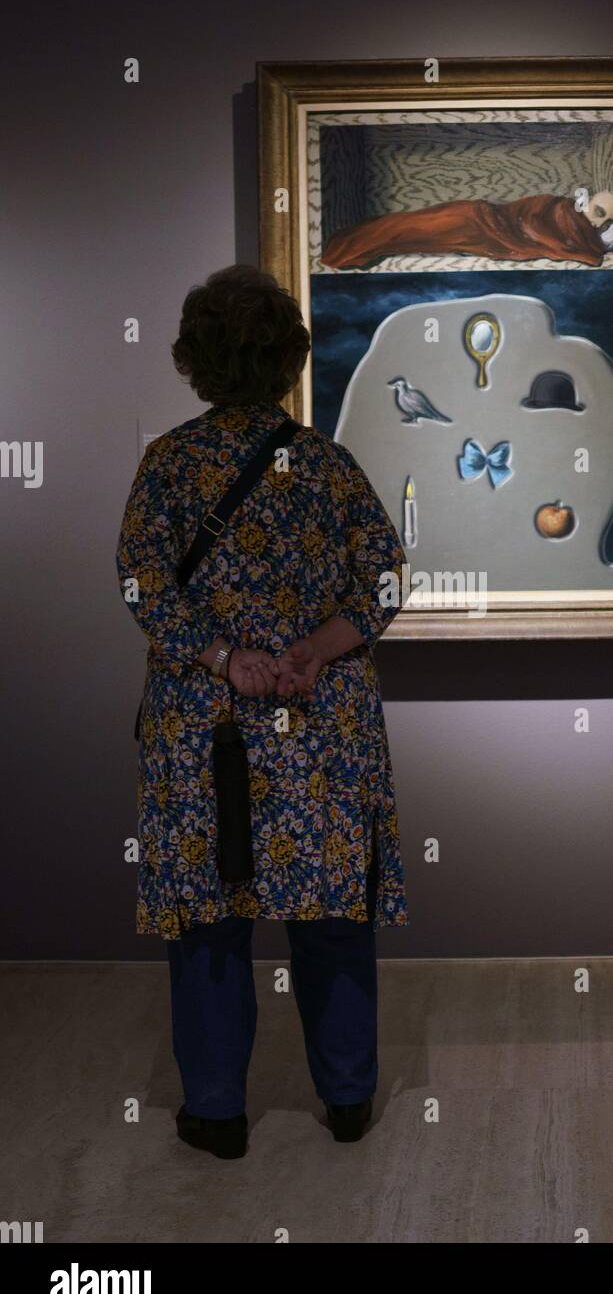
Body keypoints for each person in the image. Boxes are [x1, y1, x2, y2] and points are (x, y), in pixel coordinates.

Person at [115, 264, 409, 1155]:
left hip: (205, 725)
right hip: (319, 718)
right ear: (289, 360)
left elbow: (141, 584)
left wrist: (220, 655)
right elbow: (386, 577)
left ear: (193, 360)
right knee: (332, 916)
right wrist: (316, 649)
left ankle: (216, 1112)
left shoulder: (168, 463)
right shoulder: (325, 464)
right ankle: (349, 1101)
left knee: (208, 922)